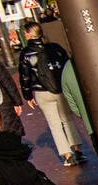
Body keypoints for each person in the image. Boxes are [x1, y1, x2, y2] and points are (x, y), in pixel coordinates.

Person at [17, 21, 80, 167]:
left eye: (26, 32)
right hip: (61, 88)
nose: (24, 35)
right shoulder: (54, 48)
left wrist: (27, 96)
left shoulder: (26, 53)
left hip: (41, 91)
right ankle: (77, 148)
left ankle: (67, 155)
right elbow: (67, 65)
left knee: (54, 124)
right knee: (67, 119)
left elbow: (24, 76)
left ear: (30, 34)